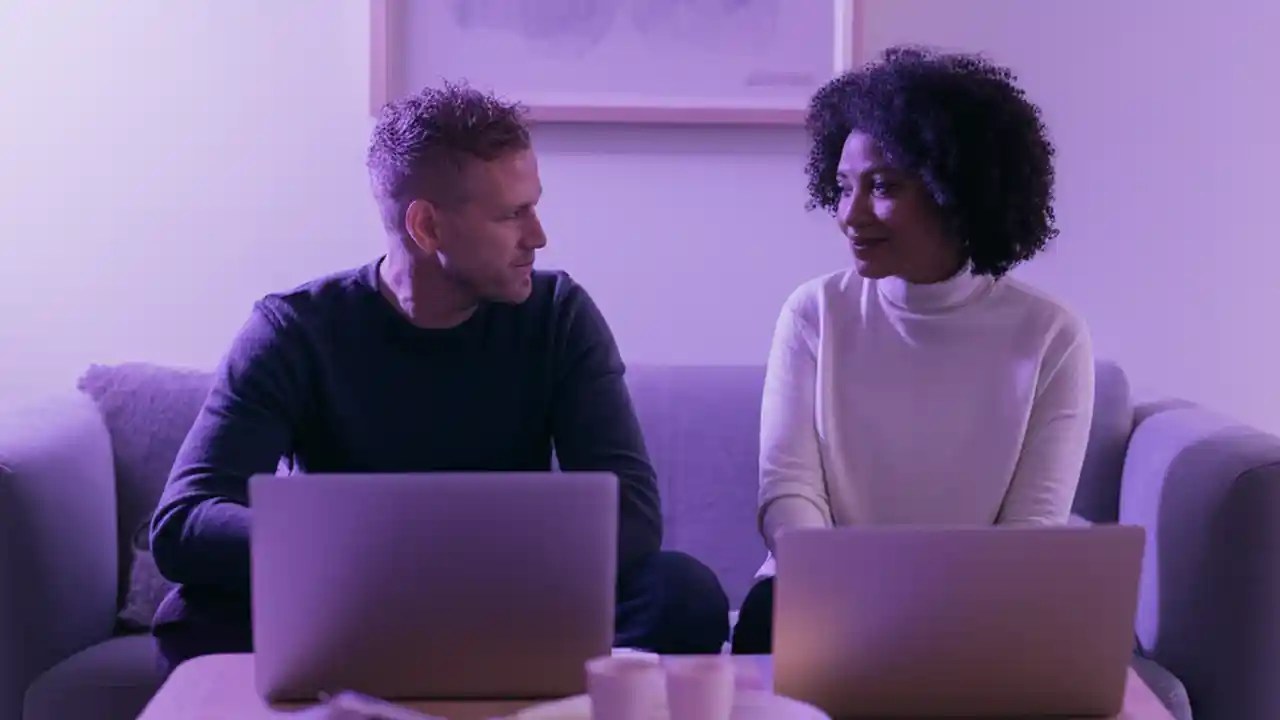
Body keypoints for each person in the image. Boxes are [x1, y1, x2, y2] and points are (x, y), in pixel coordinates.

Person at [148, 82, 729, 673]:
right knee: (191, 616)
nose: (538, 237)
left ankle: (409, 677)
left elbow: (632, 515)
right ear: (426, 227)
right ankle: (480, 676)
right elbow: (184, 520)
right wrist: (367, 552)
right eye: (512, 214)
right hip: (345, 603)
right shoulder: (295, 329)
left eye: (534, 205)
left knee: (683, 594)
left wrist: (449, 564)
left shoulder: (558, 315)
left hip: (513, 600)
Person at [730, 45, 1095, 654]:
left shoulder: (1051, 336)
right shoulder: (813, 313)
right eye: (843, 187)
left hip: (981, 605)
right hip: (816, 596)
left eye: (883, 187)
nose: (850, 214)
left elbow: (1032, 530)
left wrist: (937, 607)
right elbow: (787, 491)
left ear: (957, 189)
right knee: (773, 614)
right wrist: (844, 591)